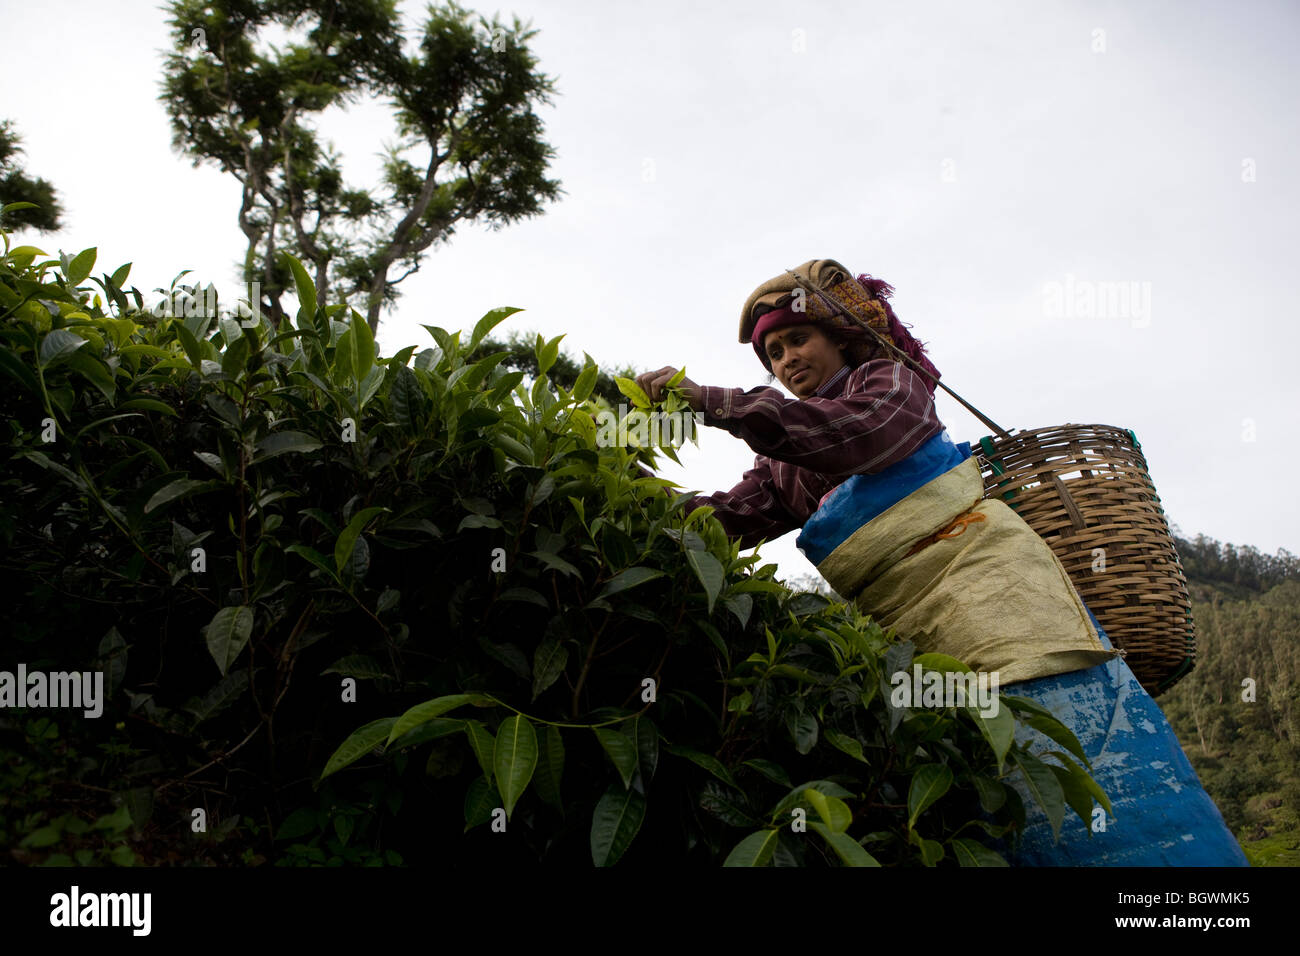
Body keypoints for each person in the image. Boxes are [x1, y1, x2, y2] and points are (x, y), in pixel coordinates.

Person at [635, 258, 1249, 866]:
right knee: (990, 793)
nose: (786, 360)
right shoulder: (782, 463)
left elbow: (856, 434)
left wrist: (718, 404)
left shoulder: (888, 383)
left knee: (1084, 775)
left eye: (799, 338)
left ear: (843, 337)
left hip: (999, 602)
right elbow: (726, 520)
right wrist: (633, 498)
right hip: (915, 640)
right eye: (773, 354)